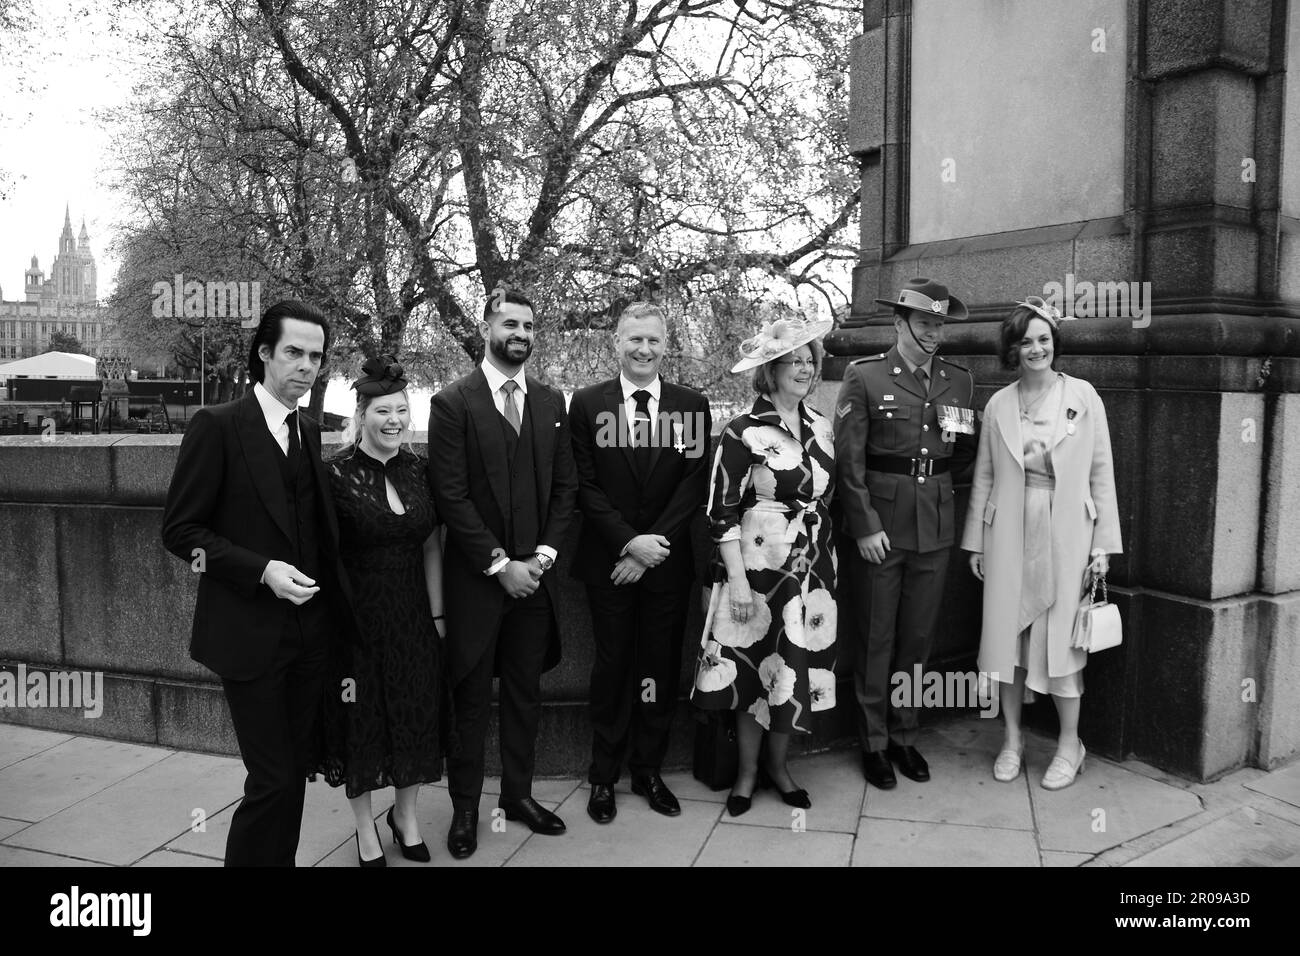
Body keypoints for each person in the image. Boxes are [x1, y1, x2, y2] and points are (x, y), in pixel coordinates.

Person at [161, 300, 348, 866]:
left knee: (292, 778)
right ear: (264, 353)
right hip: (247, 638)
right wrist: (261, 570)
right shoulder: (216, 426)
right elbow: (180, 532)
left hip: (308, 639)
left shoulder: (309, 431)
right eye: (293, 352)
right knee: (272, 779)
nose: (306, 366)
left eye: (316, 356)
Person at [428, 288, 578, 859]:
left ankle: (518, 795)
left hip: (535, 582)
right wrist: (499, 565)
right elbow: (450, 495)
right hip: (477, 585)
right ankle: (465, 807)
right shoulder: (452, 403)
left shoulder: (549, 400)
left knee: (525, 694)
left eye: (529, 325)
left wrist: (540, 559)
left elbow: (565, 488)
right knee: (469, 699)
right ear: (487, 327)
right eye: (510, 323)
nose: (521, 333)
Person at [961, 297, 1122, 790]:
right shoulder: (998, 404)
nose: (1037, 348)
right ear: (1012, 349)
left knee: (1061, 647)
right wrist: (976, 544)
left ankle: (1070, 745)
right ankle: (1012, 740)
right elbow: (983, 476)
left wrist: (1103, 545)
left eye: (1044, 339)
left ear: (1055, 343)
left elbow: (1101, 472)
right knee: (1008, 645)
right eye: (1026, 341)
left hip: (1068, 536)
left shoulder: (1084, 396)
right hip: (1008, 534)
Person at [568, 302, 712, 824]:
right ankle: (603, 776)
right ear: (617, 344)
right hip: (609, 564)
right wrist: (629, 543)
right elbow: (584, 485)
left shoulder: (691, 406)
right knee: (611, 670)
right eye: (634, 340)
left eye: (653, 340)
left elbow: (693, 484)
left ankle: (647, 770)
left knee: (657, 668)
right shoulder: (586, 405)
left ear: (666, 345)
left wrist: (651, 549)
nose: (643, 350)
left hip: (666, 566)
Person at [835, 277, 978, 791]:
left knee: (917, 639)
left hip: (933, 525)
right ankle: (873, 744)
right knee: (876, 638)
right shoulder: (865, 376)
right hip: (881, 527)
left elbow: (961, 450)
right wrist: (865, 525)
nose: (934, 333)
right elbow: (848, 463)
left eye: (939, 324)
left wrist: (935, 491)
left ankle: (903, 736)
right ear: (900, 323)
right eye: (924, 324)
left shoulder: (958, 381)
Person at [691, 312, 837, 817]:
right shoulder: (742, 430)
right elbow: (720, 510)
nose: (804, 368)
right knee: (753, 674)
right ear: (770, 371)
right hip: (756, 568)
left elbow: (827, 496)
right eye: (792, 361)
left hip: (810, 570)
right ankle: (748, 773)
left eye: (809, 360)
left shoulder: (822, 425)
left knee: (792, 671)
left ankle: (779, 766)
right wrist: (735, 581)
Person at [314, 356, 445, 866]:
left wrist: (438, 617)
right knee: (361, 724)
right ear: (360, 415)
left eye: (402, 410)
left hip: (413, 615)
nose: (394, 420)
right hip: (358, 622)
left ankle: (405, 817)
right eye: (383, 411)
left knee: (415, 716)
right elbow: (325, 553)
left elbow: (433, 545)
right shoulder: (336, 474)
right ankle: (365, 828)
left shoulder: (420, 469)